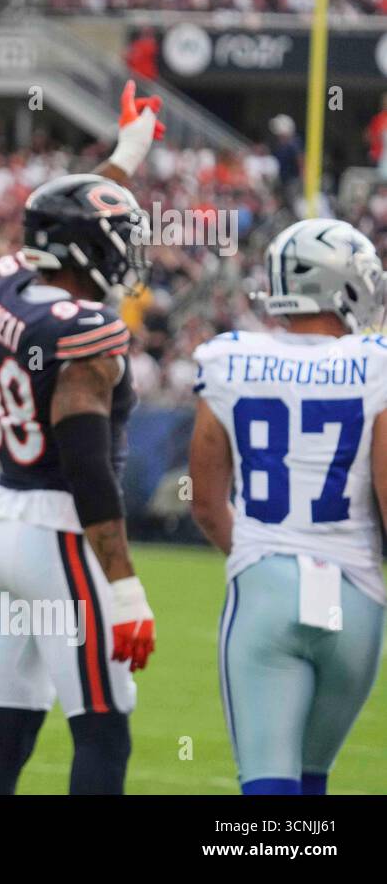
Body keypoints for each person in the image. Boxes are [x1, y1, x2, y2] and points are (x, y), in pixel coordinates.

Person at [0, 81, 162, 795]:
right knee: (104, 728)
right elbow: (87, 469)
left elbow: (73, 216)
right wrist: (126, 585)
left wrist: (128, 153)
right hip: (56, 531)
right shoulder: (87, 334)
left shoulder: (8, 278)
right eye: (117, 242)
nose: (126, 254)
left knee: (8, 733)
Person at [189, 218, 387, 795]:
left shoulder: (229, 357)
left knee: (269, 794)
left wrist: (261, 551)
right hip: (357, 599)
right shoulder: (375, 361)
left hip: (266, 591)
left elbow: (204, 502)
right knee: (312, 784)